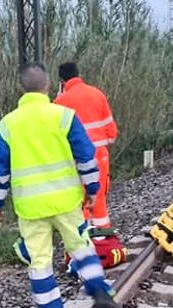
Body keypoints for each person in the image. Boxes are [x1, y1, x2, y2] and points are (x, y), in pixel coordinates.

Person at [0, 63, 127, 308]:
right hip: (66, 202)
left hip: (31, 208)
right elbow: (87, 157)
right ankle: (99, 290)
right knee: (80, 247)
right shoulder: (63, 116)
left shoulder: (7, 125)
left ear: (21, 88)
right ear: (49, 85)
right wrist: (92, 189)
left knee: (39, 261)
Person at [54, 62, 119, 229]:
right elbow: (111, 133)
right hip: (100, 155)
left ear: (61, 81)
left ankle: (83, 240)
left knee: (79, 201)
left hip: (74, 159)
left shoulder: (60, 102)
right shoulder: (97, 94)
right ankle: (103, 238)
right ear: (79, 74)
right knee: (99, 199)